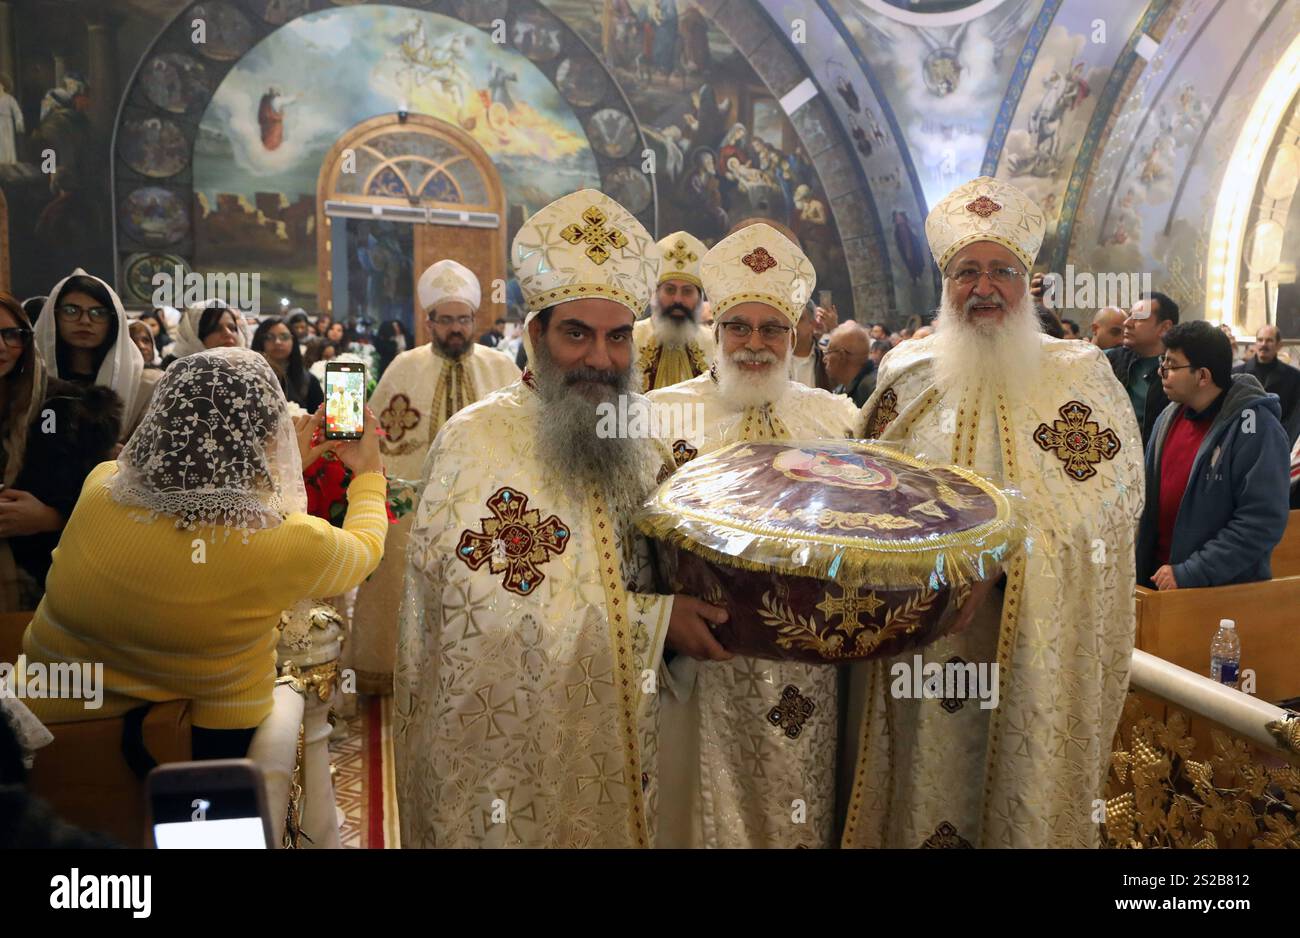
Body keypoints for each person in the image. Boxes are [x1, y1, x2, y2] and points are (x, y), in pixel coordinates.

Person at [395, 189, 717, 848]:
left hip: (633, 732)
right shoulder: (475, 441)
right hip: (521, 758)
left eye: (618, 336)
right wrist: (654, 626)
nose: (600, 359)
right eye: (577, 333)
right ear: (535, 332)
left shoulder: (641, 432)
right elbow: (488, 621)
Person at [843, 176, 1144, 848]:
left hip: (1027, 646)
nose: (985, 288)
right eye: (967, 271)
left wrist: (1007, 564)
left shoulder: (1081, 375)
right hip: (919, 643)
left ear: (1027, 281)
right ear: (946, 285)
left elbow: (1108, 512)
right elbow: (863, 491)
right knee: (924, 799)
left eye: (1003, 271)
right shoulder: (906, 373)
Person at [19, 348, 388, 760]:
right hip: (200, 750)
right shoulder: (286, 541)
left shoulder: (102, 487)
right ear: (267, 436)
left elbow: (197, 502)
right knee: (291, 703)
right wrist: (369, 471)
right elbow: (364, 550)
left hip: (43, 735)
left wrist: (275, 469)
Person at [647, 223, 858, 849]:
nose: (755, 344)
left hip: (809, 663)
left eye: (773, 329)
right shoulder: (661, 416)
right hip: (704, 659)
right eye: (739, 326)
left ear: (794, 337)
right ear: (717, 329)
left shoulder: (835, 418)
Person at [350, 260, 518, 696]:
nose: (456, 329)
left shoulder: (502, 368)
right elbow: (383, 441)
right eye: (447, 320)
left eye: (464, 319)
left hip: (486, 501)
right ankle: (395, 670)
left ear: (474, 320)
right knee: (403, 580)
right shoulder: (404, 367)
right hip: (419, 507)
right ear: (429, 322)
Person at [1138, 321, 1290, 590]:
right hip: (1157, 580)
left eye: (1172, 365)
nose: (1162, 372)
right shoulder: (1169, 416)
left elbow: (1261, 522)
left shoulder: (1256, 427)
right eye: (1163, 362)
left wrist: (1191, 572)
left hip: (1216, 590)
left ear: (1203, 376)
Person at [0, 292, 121, 611]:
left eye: (10, 334)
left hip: (45, 579)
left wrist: (51, 517)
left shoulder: (68, 408)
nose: (1, 346)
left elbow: (107, 504)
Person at [34, 270, 145, 439]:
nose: (85, 321)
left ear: (114, 321)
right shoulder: (29, 375)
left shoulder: (144, 383)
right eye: (71, 311)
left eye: (98, 313)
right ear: (54, 316)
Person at [632, 231, 715, 391]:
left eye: (687, 291)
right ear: (654, 293)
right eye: (669, 290)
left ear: (700, 298)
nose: (678, 300)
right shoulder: (631, 338)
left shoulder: (714, 345)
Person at [1105, 292, 1179, 444]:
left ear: (1165, 327)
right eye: (1130, 315)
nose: (1127, 323)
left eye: (1138, 318)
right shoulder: (1110, 360)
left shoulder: (1178, 371)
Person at [1233, 324, 1300, 443]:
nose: (1263, 344)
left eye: (1269, 340)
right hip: (1243, 441)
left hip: (1278, 441)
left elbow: (1294, 417)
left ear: (1279, 345)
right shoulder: (1237, 374)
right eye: (1260, 340)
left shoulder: (1294, 377)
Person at [251, 317, 324, 412]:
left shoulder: (309, 381)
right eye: (269, 337)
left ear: (293, 340)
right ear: (260, 340)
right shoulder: (250, 377)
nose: (278, 342)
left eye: (284, 337)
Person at [163, 299, 247, 367]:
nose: (228, 333)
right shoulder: (176, 377)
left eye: (232, 328)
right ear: (194, 335)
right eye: (216, 329)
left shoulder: (250, 367)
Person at [825, 320, 876, 407]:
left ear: (842, 356)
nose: (824, 358)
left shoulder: (871, 390)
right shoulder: (841, 388)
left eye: (828, 352)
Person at [790, 301, 833, 390]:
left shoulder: (825, 360)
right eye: (790, 319)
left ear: (812, 324)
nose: (793, 325)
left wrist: (834, 328)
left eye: (798, 319)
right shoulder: (775, 360)